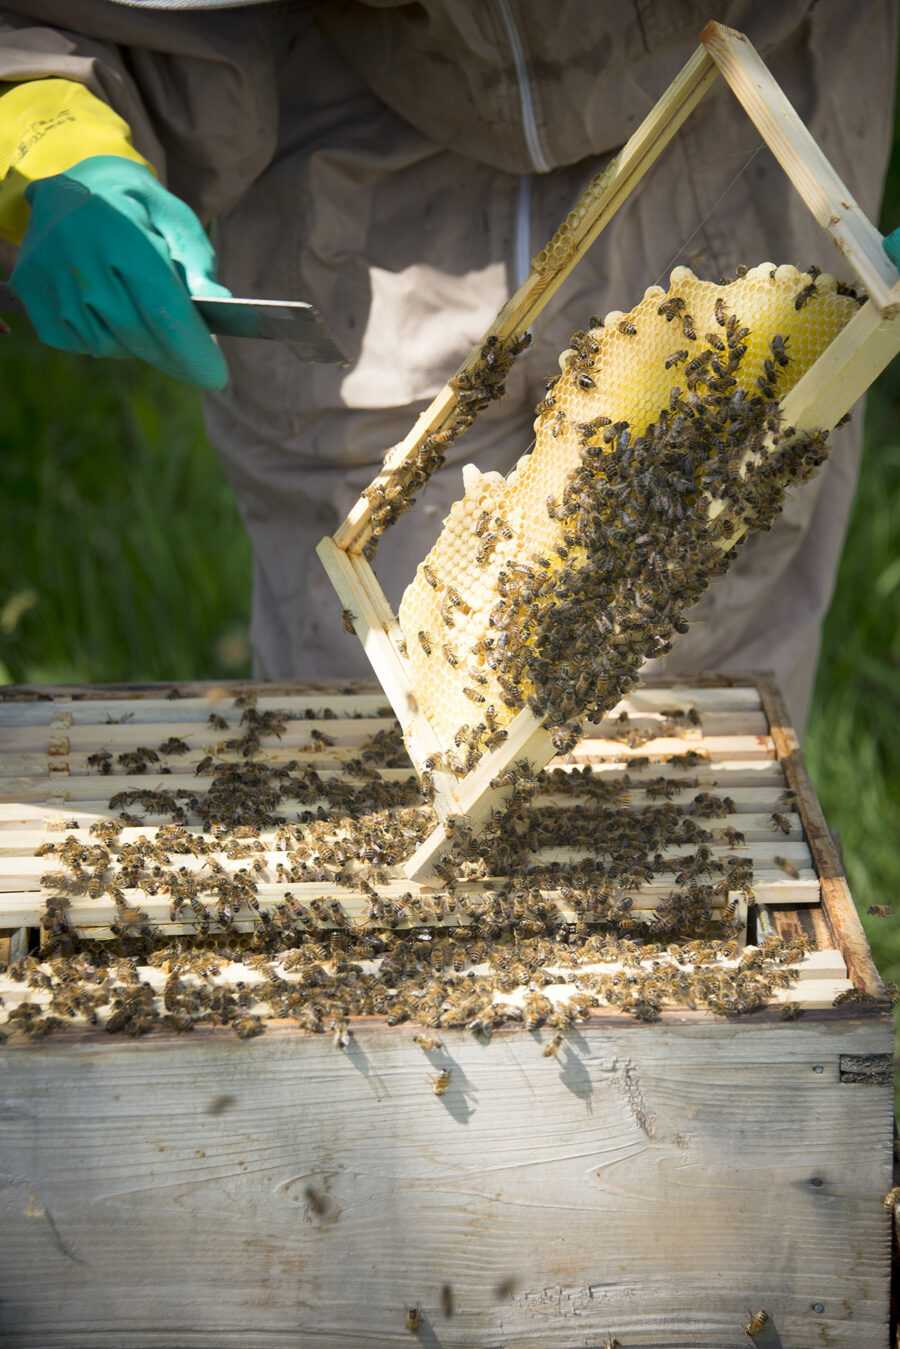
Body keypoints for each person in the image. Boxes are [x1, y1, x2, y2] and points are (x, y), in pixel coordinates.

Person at [0, 1, 896, 732]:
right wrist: (49, 123)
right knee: (367, 721)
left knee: (701, 667)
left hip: (747, 110)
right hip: (355, 132)